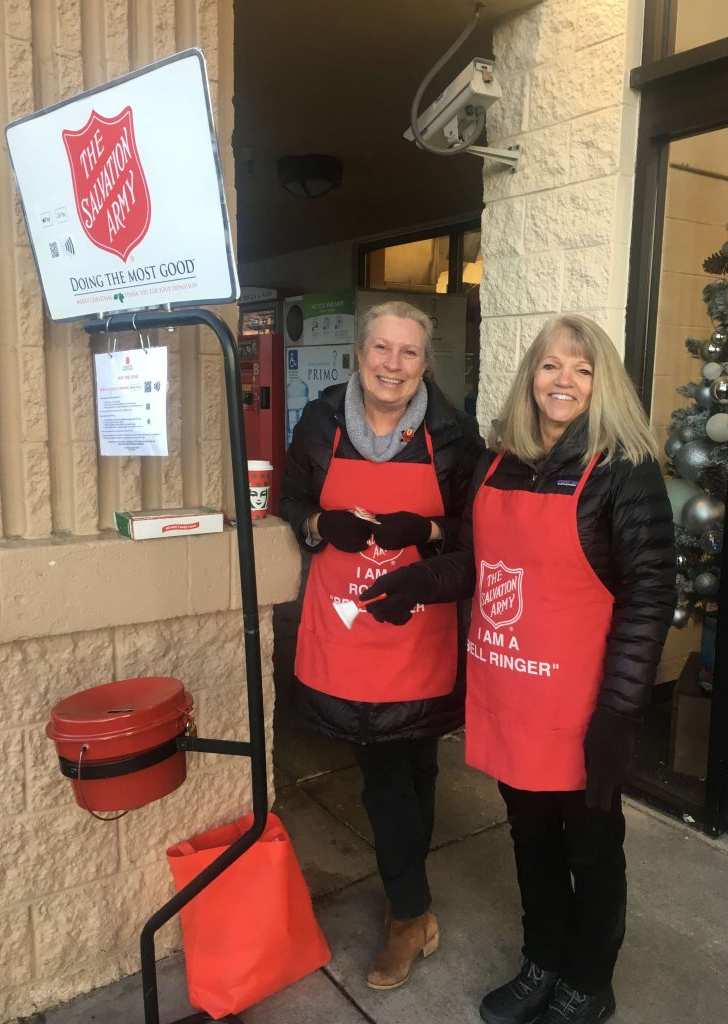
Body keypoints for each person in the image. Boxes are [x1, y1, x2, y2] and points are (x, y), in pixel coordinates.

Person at [363, 315, 676, 1023]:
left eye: (582, 369)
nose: (563, 381)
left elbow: (650, 597)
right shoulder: (500, 461)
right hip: (511, 692)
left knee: (591, 849)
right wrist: (416, 584)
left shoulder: (624, 471)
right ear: (530, 377)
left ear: (603, 384)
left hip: (583, 707)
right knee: (530, 837)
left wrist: (619, 714)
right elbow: (479, 562)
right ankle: (543, 961)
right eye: (550, 366)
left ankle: (587, 982)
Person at [280, 300, 484, 991]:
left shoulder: (453, 436)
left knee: (415, 766)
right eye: (381, 349)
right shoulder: (320, 422)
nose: (392, 365)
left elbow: (472, 534)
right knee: (383, 772)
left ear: (425, 363)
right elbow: (289, 498)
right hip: (345, 627)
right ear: (358, 354)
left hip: (418, 626)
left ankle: (410, 910)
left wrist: (422, 533)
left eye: (408, 353)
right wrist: (317, 523)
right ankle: (411, 910)